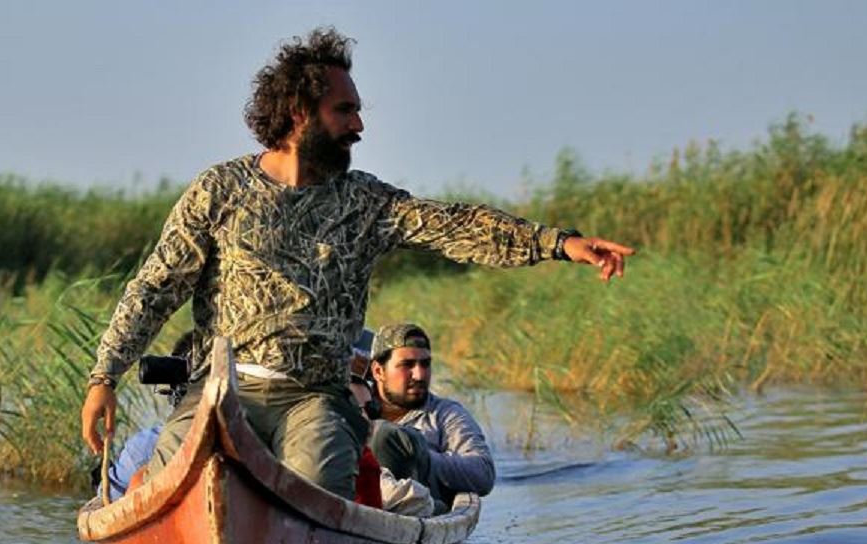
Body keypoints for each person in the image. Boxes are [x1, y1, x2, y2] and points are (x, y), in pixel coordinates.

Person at [80, 27, 633, 499]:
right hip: (223, 392)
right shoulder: (219, 191)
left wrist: (560, 243)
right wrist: (104, 376)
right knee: (175, 484)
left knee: (317, 493)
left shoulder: (365, 203)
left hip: (315, 399)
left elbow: (454, 225)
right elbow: (154, 288)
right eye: (345, 110)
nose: (360, 126)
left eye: (358, 111)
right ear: (299, 112)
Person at [366, 323, 493, 511]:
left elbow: (483, 472)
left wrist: (420, 458)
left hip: (423, 512)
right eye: (407, 365)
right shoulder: (355, 407)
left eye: (425, 364)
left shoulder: (445, 414)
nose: (419, 375)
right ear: (378, 371)